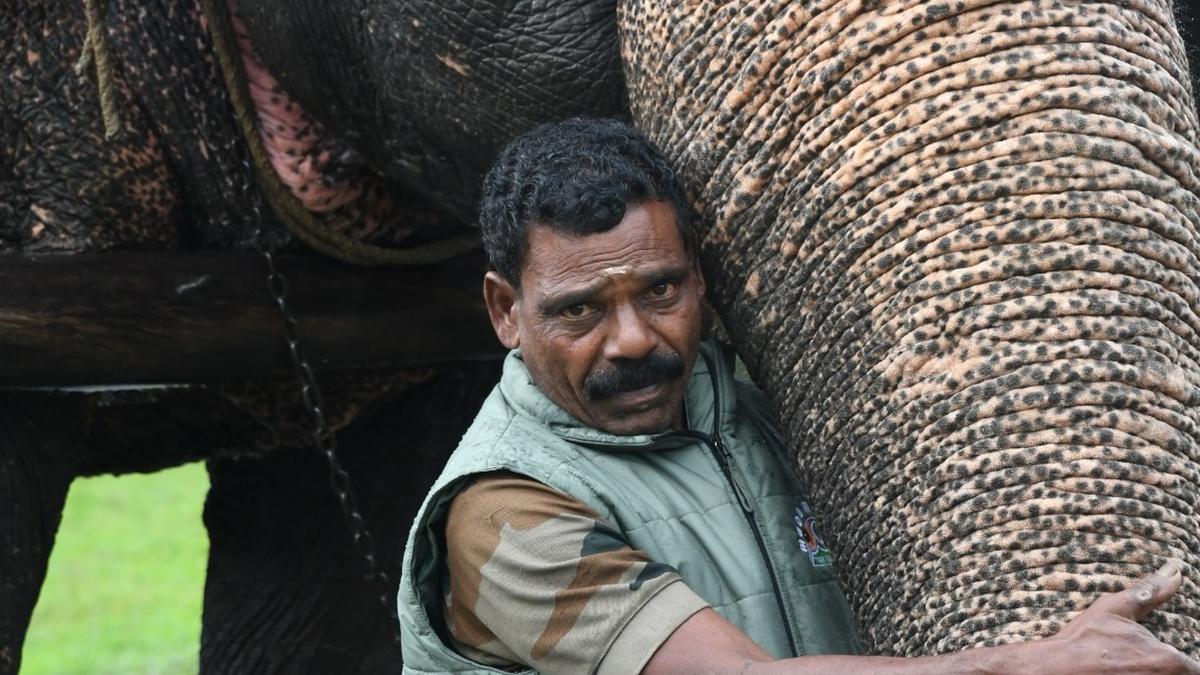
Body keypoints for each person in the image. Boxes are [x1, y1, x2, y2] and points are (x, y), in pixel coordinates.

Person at [397, 117, 1199, 674]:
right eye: (580, 310)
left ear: (700, 276)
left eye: (661, 289)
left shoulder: (758, 412)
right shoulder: (503, 514)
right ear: (506, 310)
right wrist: (1028, 664)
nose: (634, 338)